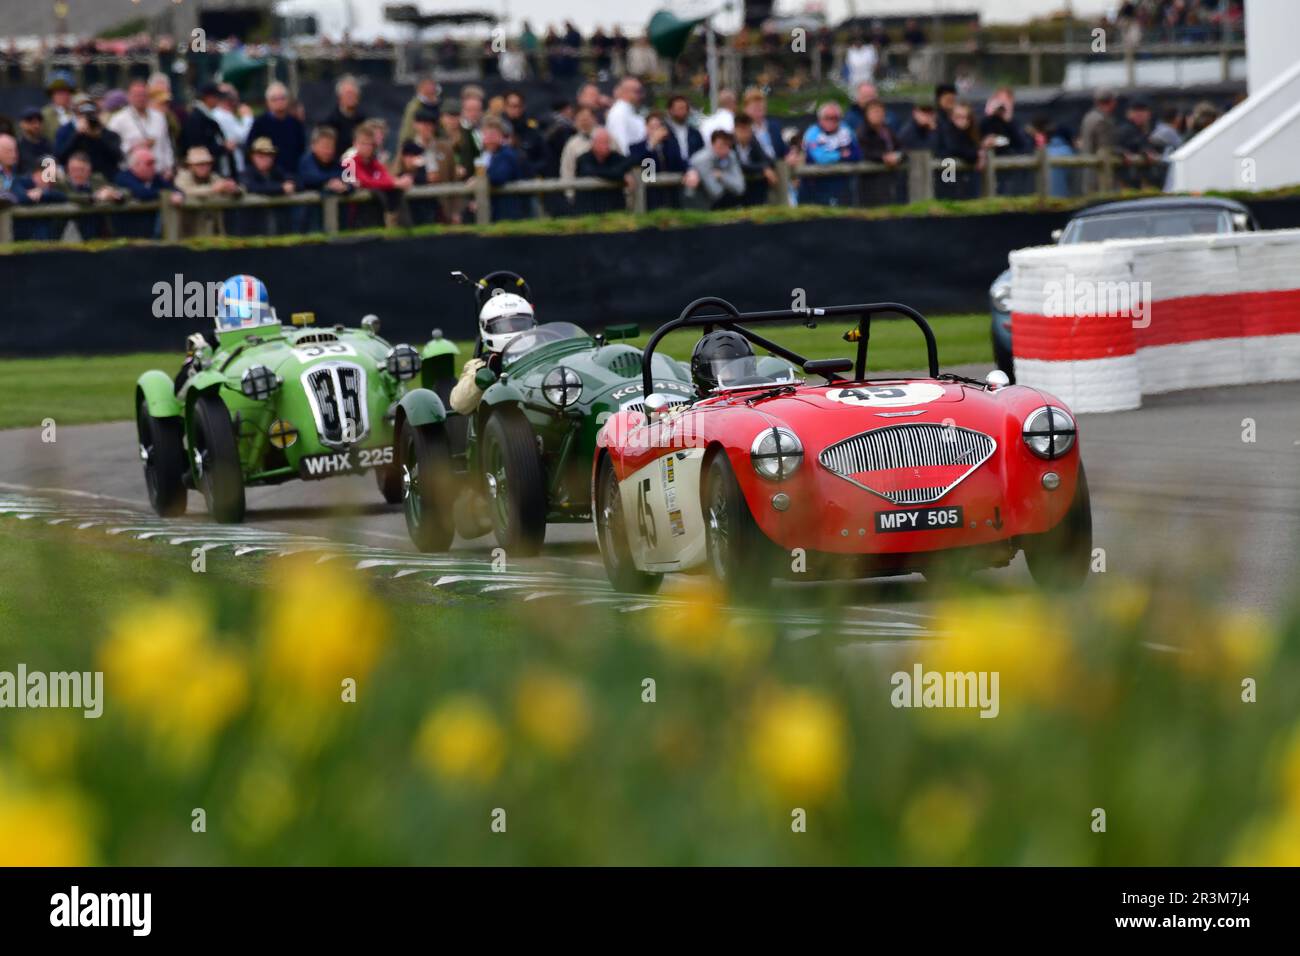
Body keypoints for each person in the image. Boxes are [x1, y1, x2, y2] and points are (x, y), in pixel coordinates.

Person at [450, 291, 537, 415]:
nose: (512, 329)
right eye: (504, 325)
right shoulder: (478, 365)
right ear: (487, 328)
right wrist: (478, 382)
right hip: (499, 422)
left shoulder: (542, 352)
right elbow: (458, 404)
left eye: (518, 323)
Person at [796, 102, 861, 206]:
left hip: (841, 188)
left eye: (835, 118)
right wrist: (841, 154)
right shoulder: (812, 133)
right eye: (827, 117)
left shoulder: (846, 130)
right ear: (820, 118)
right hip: (815, 188)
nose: (831, 121)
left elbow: (856, 154)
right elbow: (821, 158)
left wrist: (830, 154)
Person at [107, 78, 174, 177]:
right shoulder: (118, 119)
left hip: (159, 173)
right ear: (129, 97)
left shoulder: (159, 117)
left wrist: (169, 167)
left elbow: (166, 145)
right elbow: (110, 147)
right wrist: (132, 147)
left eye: (144, 95)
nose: (141, 98)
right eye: (137, 95)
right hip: (132, 174)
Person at [174, 145, 241, 238]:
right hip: (188, 230)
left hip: (212, 230)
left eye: (207, 164)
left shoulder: (213, 177)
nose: (204, 167)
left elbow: (237, 189)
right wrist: (213, 189)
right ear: (190, 166)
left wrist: (232, 189)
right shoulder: (182, 177)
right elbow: (186, 190)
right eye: (199, 164)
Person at [247, 82, 307, 177]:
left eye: (282, 98)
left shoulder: (295, 123)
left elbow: (302, 147)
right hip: (268, 175)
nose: (279, 102)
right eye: (274, 99)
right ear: (268, 102)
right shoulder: (260, 123)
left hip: (293, 172)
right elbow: (251, 149)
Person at [55, 97, 123, 179]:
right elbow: (60, 158)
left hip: (105, 177)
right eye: (84, 115)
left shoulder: (109, 134)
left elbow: (118, 158)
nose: (89, 119)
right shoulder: (66, 132)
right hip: (77, 180)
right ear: (77, 116)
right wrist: (78, 135)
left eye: (92, 115)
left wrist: (98, 136)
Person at [477, 117, 528, 221]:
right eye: (486, 135)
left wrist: (480, 179)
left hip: (508, 212)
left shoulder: (506, 154)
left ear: (501, 136)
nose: (489, 139)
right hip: (491, 211)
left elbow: (498, 177)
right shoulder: (483, 155)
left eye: (493, 135)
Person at [179, 82, 231, 178]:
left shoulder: (206, 116)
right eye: (216, 97)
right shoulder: (196, 118)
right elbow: (199, 147)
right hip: (203, 172)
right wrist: (223, 148)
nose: (218, 100)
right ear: (208, 98)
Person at [574, 127, 629, 214]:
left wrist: (622, 174)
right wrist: (620, 177)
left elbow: (629, 163)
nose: (606, 146)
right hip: (589, 210)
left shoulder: (615, 156)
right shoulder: (583, 159)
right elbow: (589, 171)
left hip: (614, 209)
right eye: (603, 143)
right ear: (594, 143)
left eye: (608, 142)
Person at [857, 100, 902, 205]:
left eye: (880, 112)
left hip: (889, 179)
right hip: (870, 182)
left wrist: (898, 156)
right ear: (866, 114)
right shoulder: (862, 132)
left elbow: (901, 147)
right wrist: (883, 157)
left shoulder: (887, 130)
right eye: (874, 112)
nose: (877, 115)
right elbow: (864, 151)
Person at [686, 129, 744, 210]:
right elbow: (716, 192)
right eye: (721, 146)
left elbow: (740, 187)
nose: (725, 150)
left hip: (722, 204)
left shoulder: (731, 156)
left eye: (728, 146)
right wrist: (729, 180)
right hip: (698, 206)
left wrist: (722, 176)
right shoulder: (702, 159)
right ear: (712, 144)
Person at [690, 329, 757, 397]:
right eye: (723, 370)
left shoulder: (759, 398)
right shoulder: (690, 406)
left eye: (735, 369)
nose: (729, 375)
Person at [1078, 87, 1118, 193]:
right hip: (1100, 174)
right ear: (1112, 102)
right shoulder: (1103, 120)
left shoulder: (1088, 117)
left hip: (1087, 170)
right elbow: (1105, 147)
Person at [732, 115, 775, 206]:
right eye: (742, 130)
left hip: (753, 186)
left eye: (748, 130)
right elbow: (739, 165)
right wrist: (763, 169)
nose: (746, 134)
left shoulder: (753, 142)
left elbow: (767, 160)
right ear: (734, 130)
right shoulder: (730, 145)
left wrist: (765, 168)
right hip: (734, 188)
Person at [742, 88, 785, 163]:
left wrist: (790, 155)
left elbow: (783, 149)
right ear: (746, 110)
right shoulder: (742, 130)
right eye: (755, 109)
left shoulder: (774, 126)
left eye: (761, 108)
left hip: (777, 166)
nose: (759, 112)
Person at [325, 75, 367, 151]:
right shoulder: (330, 122)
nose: (351, 97)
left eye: (353, 94)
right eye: (348, 94)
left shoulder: (363, 121)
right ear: (339, 97)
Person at [605, 76, 646, 154]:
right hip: (630, 161)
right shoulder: (618, 112)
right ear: (626, 92)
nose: (641, 96)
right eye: (637, 92)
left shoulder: (630, 110)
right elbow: (621, 144)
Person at [664, 94, 704, 171]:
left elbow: (701, 153)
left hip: (694, 174)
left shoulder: (695, 134)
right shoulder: (664, 133)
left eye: (686, 108)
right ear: (670, 110)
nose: (684, 111)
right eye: (680, 108)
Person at [398, 75, 440, 145]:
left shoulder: (438, 104)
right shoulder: (414, 107)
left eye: (433, 84)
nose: (433, 87)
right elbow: (407, 130)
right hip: (418, 145)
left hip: (437, 144)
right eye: (429, 84)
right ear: (420, 87)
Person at [16, 107, 54, 177]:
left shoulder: (47, 144)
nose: (36, 125)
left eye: (39, 121)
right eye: (30, 121)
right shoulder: (17, 146)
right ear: (21, 124)